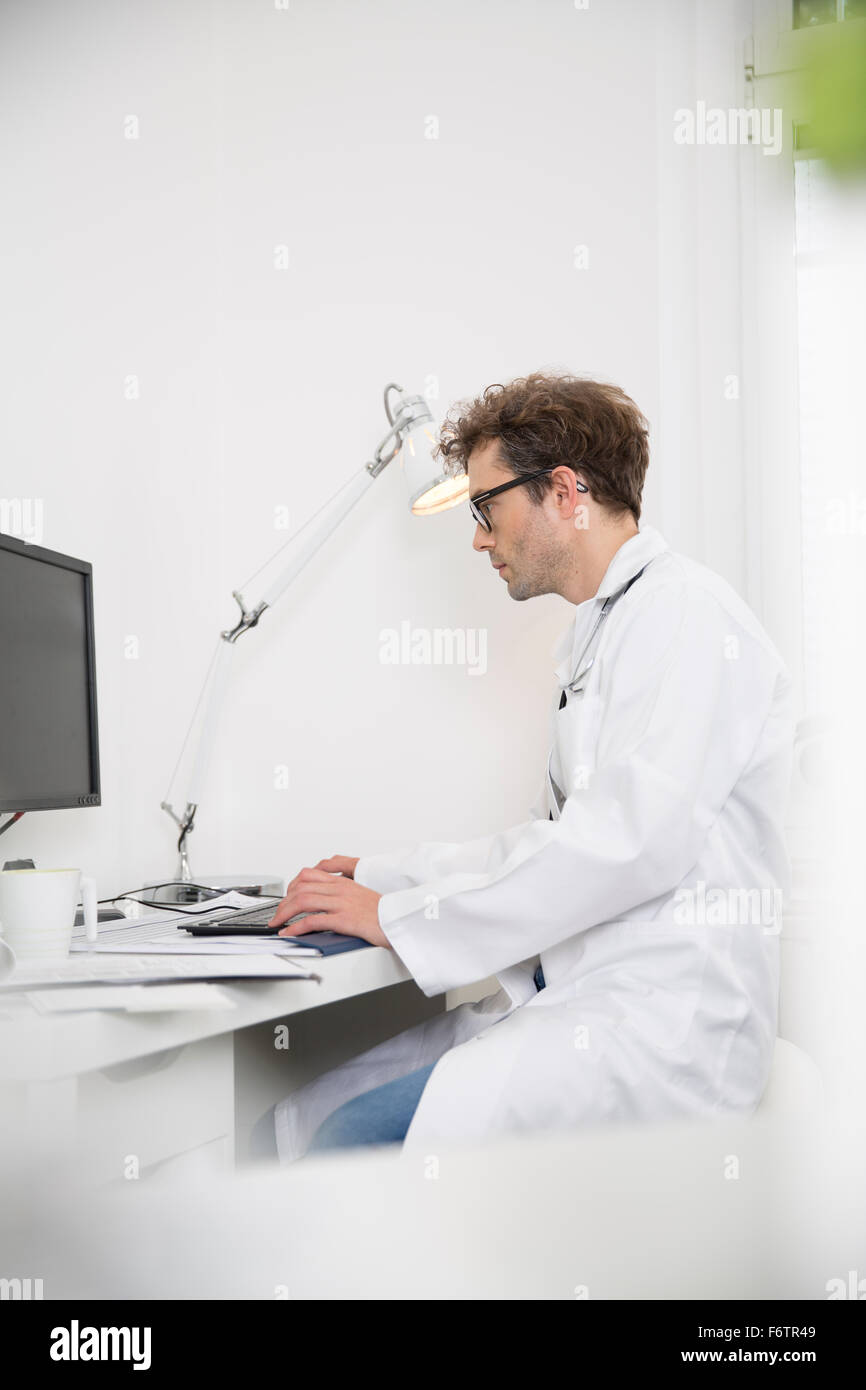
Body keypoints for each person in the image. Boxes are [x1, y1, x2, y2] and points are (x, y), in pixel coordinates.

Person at [249, 372, 795, 1164]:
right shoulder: (605, 633)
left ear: (565, 491)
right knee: (292, 1120)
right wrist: (382, 876)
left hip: (662, 1035)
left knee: (348, 1139)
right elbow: (558, 843)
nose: (478, 538)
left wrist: (398, 919)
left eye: (485, 508)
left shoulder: (685, 617)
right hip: (593, 1005)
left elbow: (625, 847)